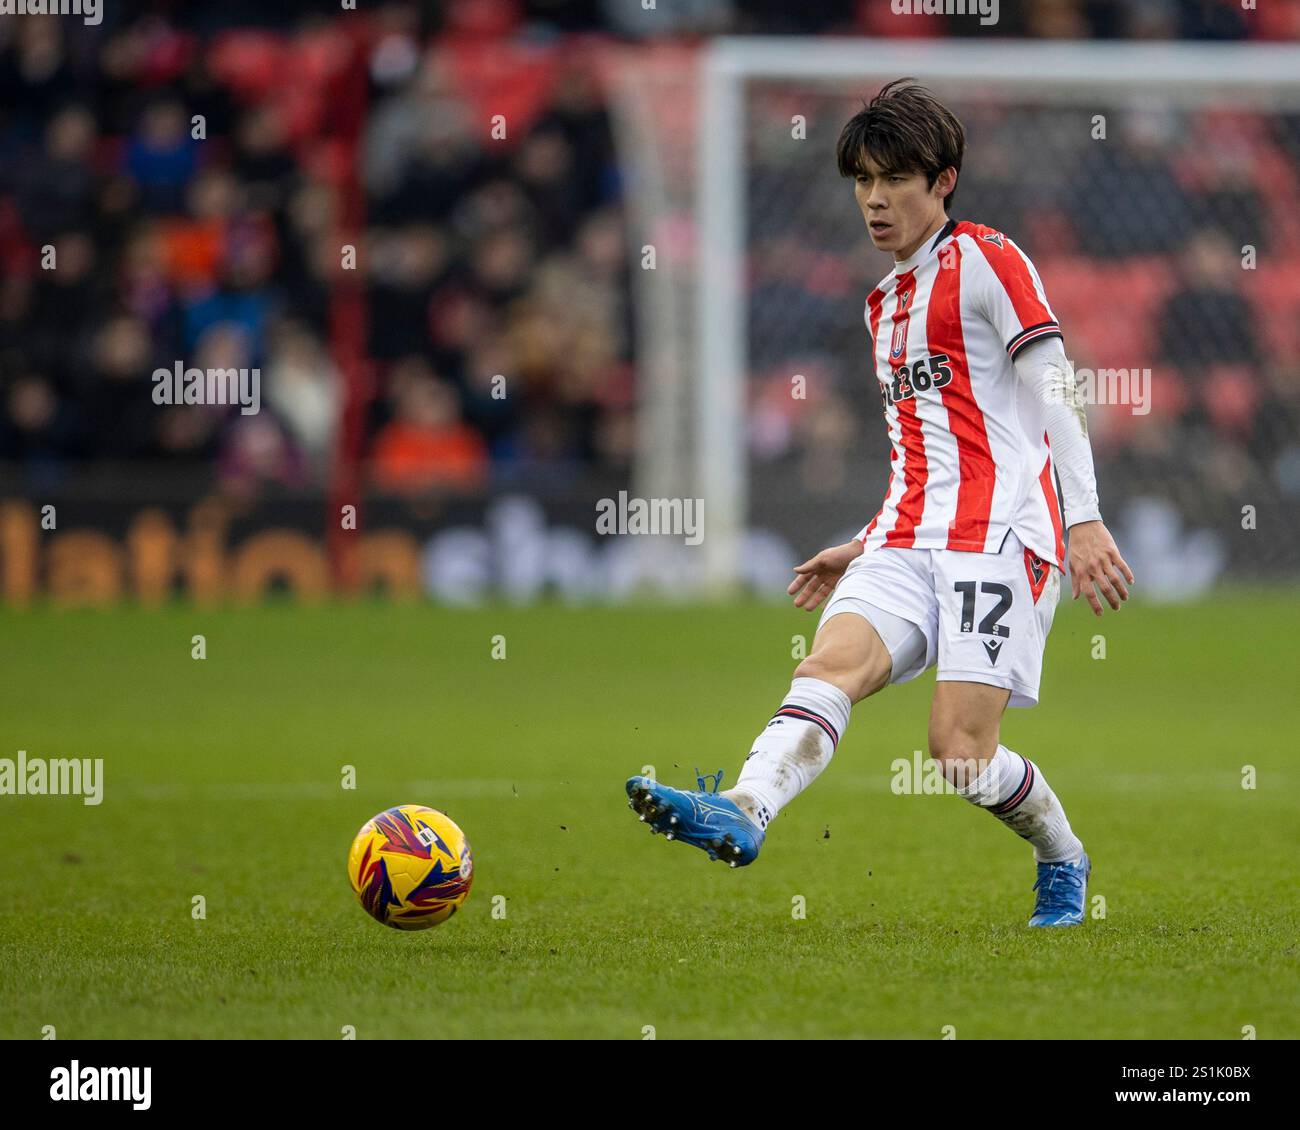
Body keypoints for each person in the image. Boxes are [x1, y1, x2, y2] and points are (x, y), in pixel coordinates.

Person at [626, 79, 1133, 928]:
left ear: (943, 180)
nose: (873, 198)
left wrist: (1082, 519)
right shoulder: (883, 304)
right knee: (827, 668)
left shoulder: (989, 260)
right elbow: (924, 449)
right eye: (861, 180)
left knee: (961, 755)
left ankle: (1061, 854)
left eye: (892, 178)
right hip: (905, 535)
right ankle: (744, 808)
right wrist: (861, 542)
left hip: (999, 535)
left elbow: (1054, 387)